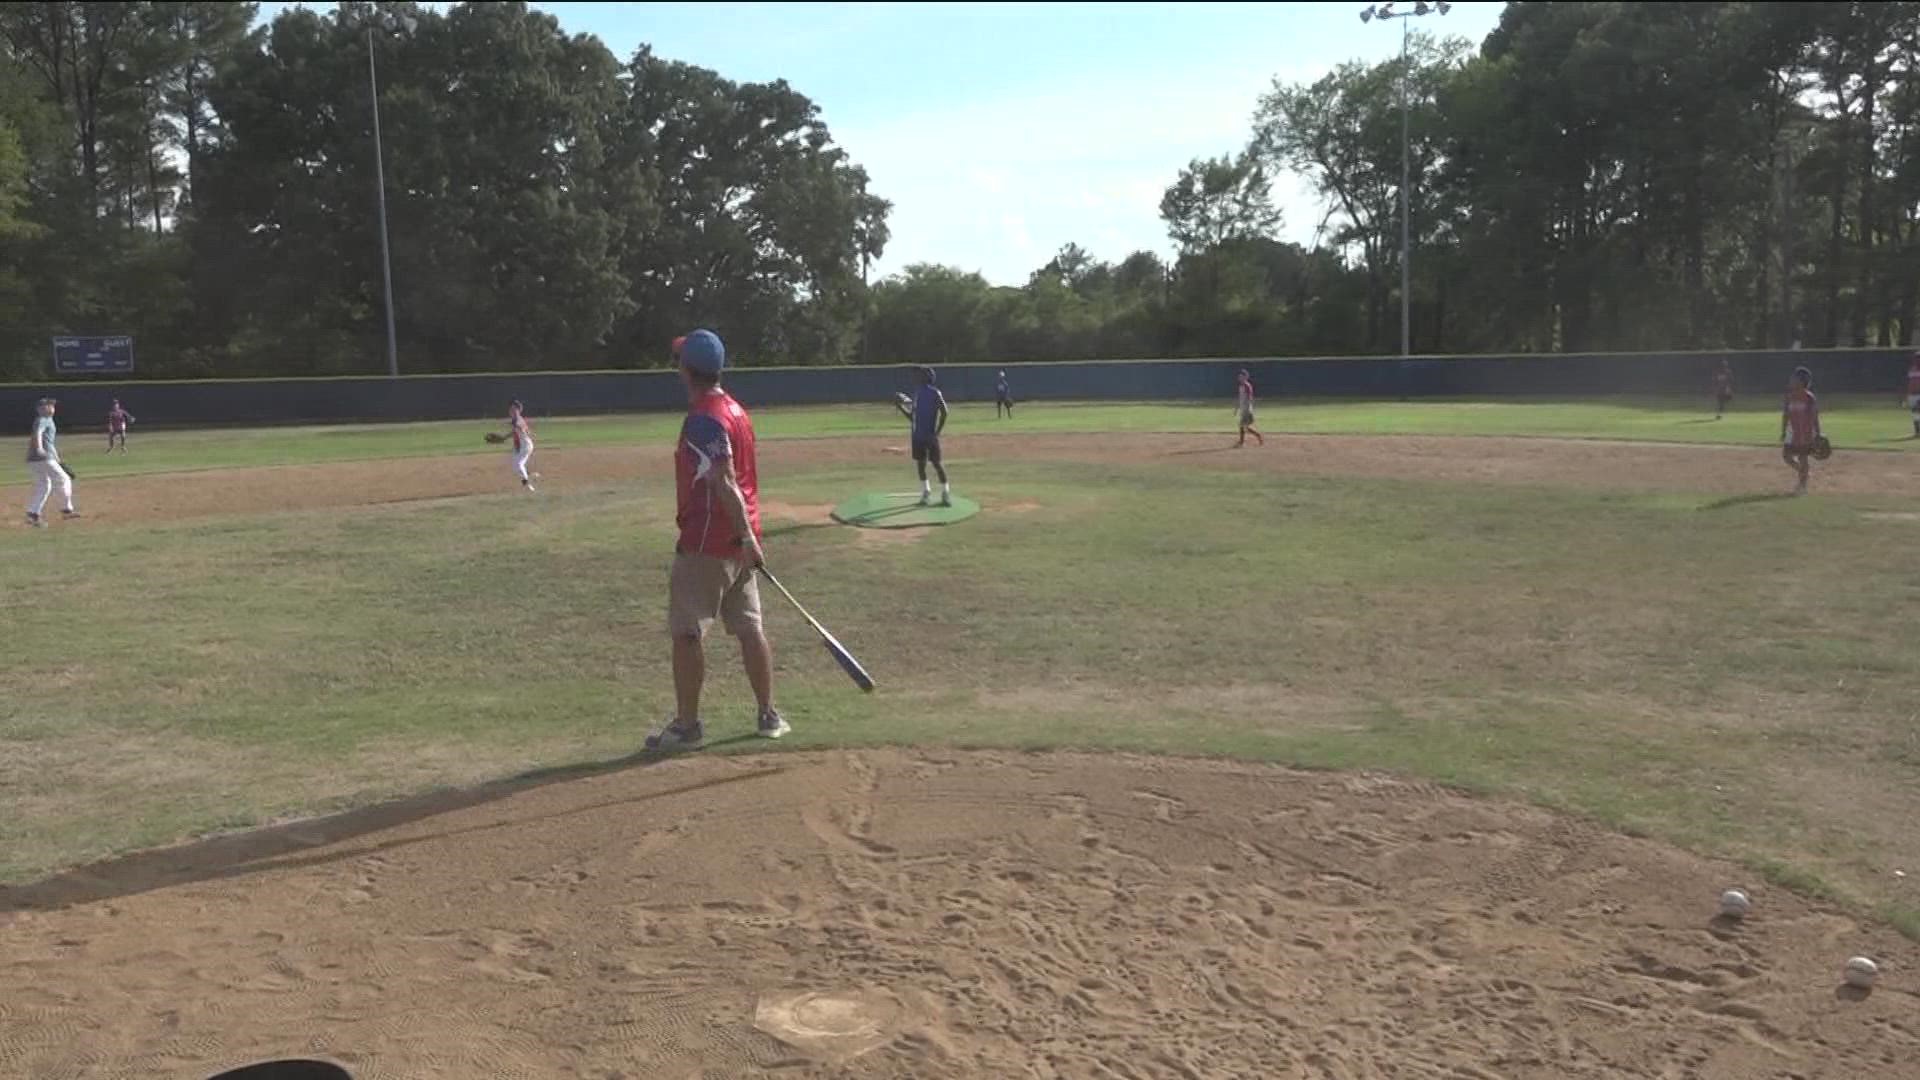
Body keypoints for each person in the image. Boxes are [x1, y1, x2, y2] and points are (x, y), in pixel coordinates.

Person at [646, 328, 788, 751]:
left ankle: (687, 726)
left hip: (708, 541)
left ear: (686, 370)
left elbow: (724, 481)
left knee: (687, 632)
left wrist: (744, 534)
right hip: (739, 544)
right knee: (749, 629)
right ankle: (768, 715)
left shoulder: (704, 418)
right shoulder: (736, 411)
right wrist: (747, 538)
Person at [896, 365, 950, 505]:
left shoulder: (934, 393)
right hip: (918, 436)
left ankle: (945, 493)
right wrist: (901, 407)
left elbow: (945, 412)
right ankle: (927, 493)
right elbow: (913, 417)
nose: (918, 377)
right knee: (922, 465)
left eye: (921, 375)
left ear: (928, 377)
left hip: (927, 436)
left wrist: (937, 431)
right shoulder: (918, 393)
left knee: (936, 464)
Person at [24, 397, 78, 527]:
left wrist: (58, 460)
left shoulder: (48, 420)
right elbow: (38, 433)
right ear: (40, 409)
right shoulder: (43, 419)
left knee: (44, 485)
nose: (51, 407)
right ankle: (66, 510)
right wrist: (40, 449)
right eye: (48, 405)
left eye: (52, 405)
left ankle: (33, 514)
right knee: (64, 479)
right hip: (43, 457)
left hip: (35, 459)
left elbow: (49, 442)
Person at [1781, 366, 1821, 496]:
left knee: (1803, 458)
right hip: (1792, 431)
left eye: (1795, 378)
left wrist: (1817, 434)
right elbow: (1785, 414)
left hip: (1805, 432)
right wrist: (1783, 431)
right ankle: (1803, 472)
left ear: (1802, 381)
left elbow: (1814, 416)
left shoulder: (1809, 398)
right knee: (1786, 456)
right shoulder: (1789, 397)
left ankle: (1802, 486)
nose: (1791, 380)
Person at [501, 399, 537, 492]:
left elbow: (517, 429)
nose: (510, 410)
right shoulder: (517, 419)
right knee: (515, 464)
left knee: (518, 464)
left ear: (517, 409)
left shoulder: (517, 419)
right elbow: (517, 431)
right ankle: (528, 474)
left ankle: (527, 484)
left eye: (513, 408)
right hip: (521, 445)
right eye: (510, 408)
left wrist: (504, 438)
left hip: (525, 445)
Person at [1235, 368, 1264, 447]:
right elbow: (1240, 398)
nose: (1239, 377)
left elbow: (1250, 398)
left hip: (1247, 409)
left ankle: (1242, 442)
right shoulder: (1241, 386)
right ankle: (1258, 436)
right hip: (1243, 409)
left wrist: (1247, 409)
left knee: (1243, 426)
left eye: (1241, 376)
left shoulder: (1247, 386)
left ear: (1245, 377)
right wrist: (1237, 408)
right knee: (1245, 427)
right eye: (1239, 376)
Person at [1904, 350, 1920, 439]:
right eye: (1917, 358)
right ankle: (1917, 432)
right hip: (1912, 395)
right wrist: (1906, 394)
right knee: (1915, 414)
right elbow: (1909, 383)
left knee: (1917, 411)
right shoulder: (1912, 369)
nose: (1918, 360)